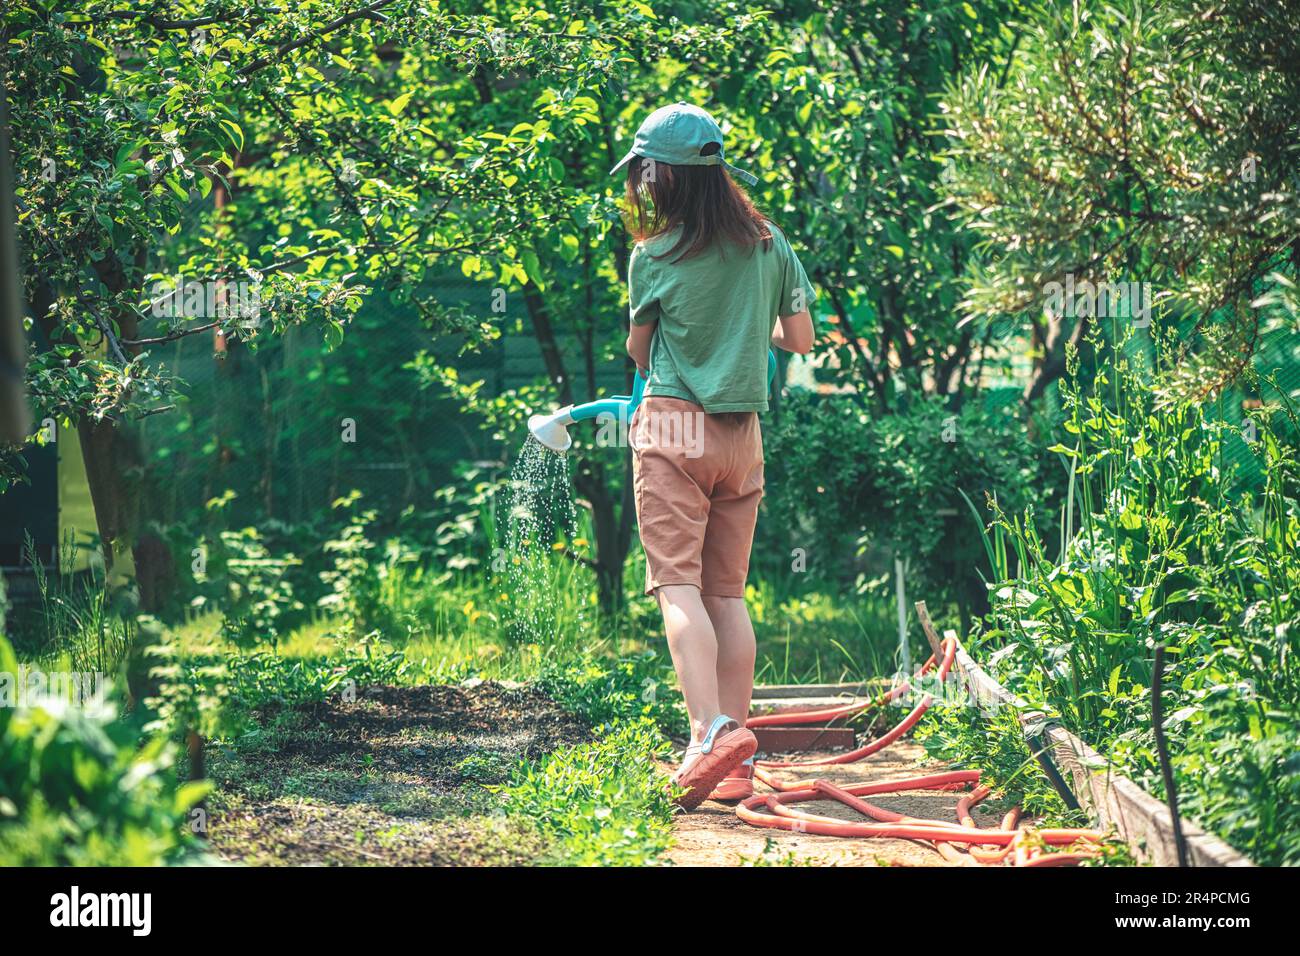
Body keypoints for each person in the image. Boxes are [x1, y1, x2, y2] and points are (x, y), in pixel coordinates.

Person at [612, 102, 815, 810]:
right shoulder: (769, 243)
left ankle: (708, 732)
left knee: (678, 587)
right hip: (741, 435)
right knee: (727, 593)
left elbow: (639, 351)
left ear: (661, 175)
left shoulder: (654, 255)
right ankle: (737, 764)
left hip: (673, 427)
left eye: (642, 172)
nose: (639, 184)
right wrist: (745, 325)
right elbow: (800, 338)